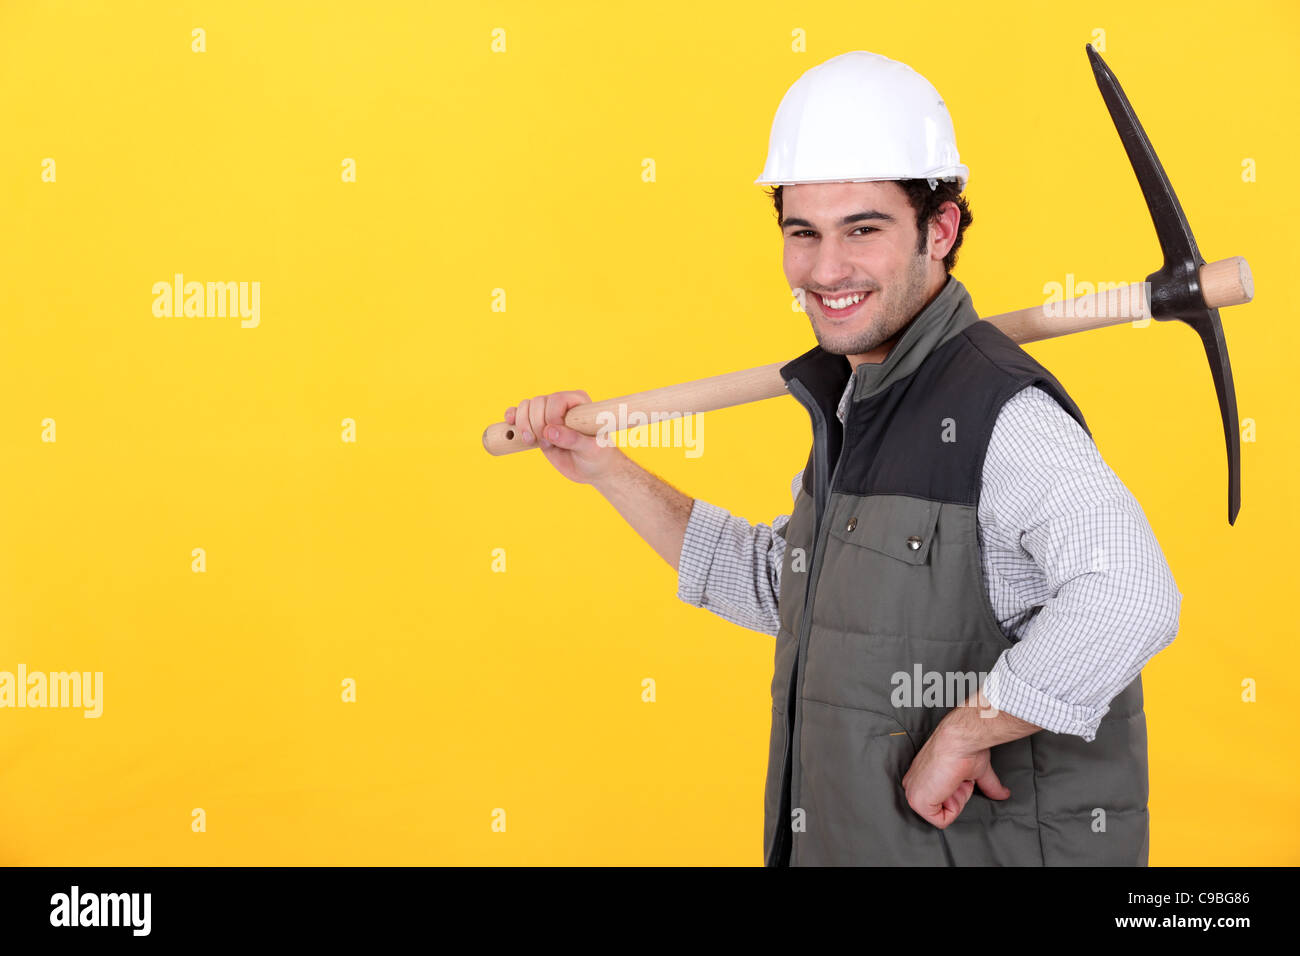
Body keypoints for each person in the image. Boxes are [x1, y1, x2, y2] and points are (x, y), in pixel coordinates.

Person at [505, 51, 1180, 866]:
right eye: (803, 233)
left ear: (941, 227)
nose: (826, 271)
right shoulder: (858, 409)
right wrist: (605, 466)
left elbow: (1133, 595)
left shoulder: (1005, 417)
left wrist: (969, 730)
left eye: (863, 228)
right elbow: (785, 589)